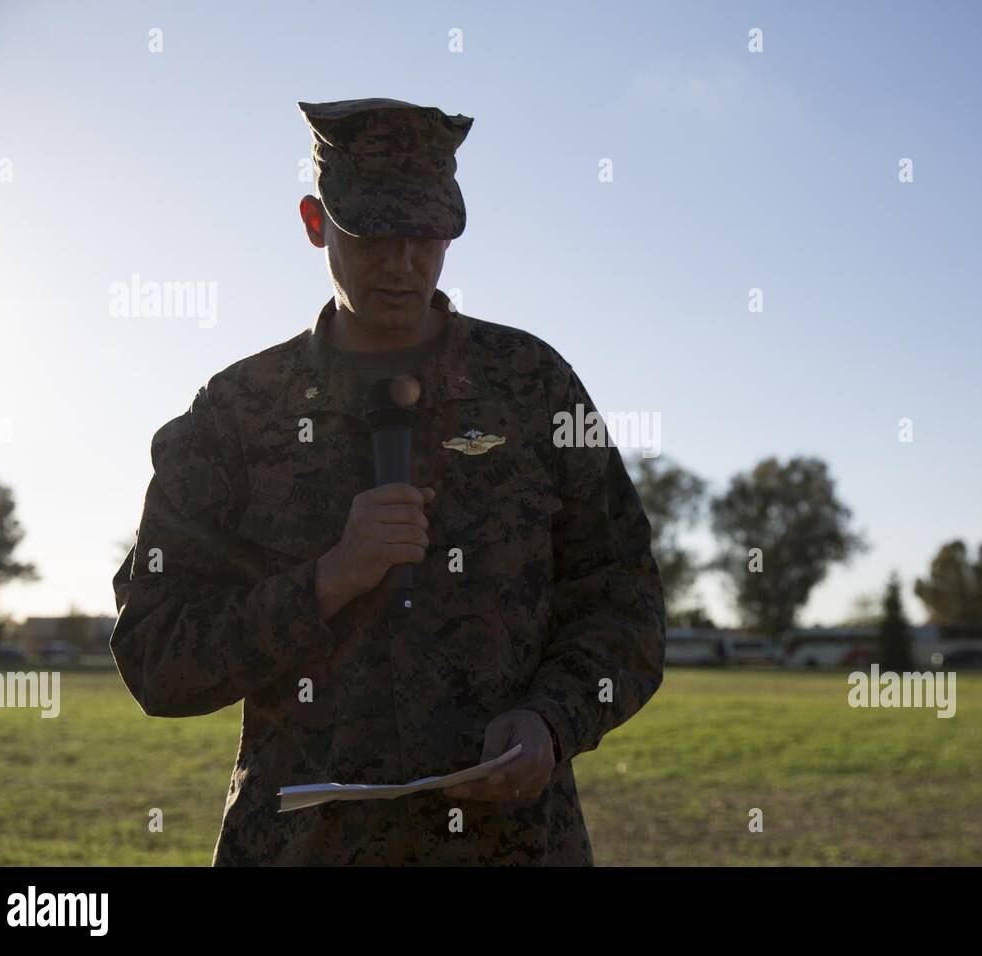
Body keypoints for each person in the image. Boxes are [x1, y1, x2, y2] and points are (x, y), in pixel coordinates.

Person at [110, 97, 666, 865]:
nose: (404, 262)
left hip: (512, 847)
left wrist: (551, 719)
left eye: (427, 233)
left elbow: (626, 605)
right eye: (373, 235)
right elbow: (157, 657)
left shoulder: (532, 386)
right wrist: (327, 582)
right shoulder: (237, 413)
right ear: (315, 222)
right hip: (302, 848)